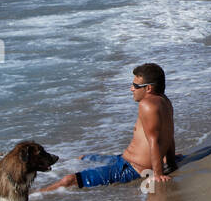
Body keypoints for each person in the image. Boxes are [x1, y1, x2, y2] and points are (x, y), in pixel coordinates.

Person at [38, 64, 177, 192]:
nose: (131, 88)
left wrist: (158, 174)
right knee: (84, 158)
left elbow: (154, 140)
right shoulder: (165, 101)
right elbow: (169, 135)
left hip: (131, 169)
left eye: (135, 85)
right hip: (124, 160)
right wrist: (170, 162)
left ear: (148, 88)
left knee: (68, 180)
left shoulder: (146, 105)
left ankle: (33, 197)